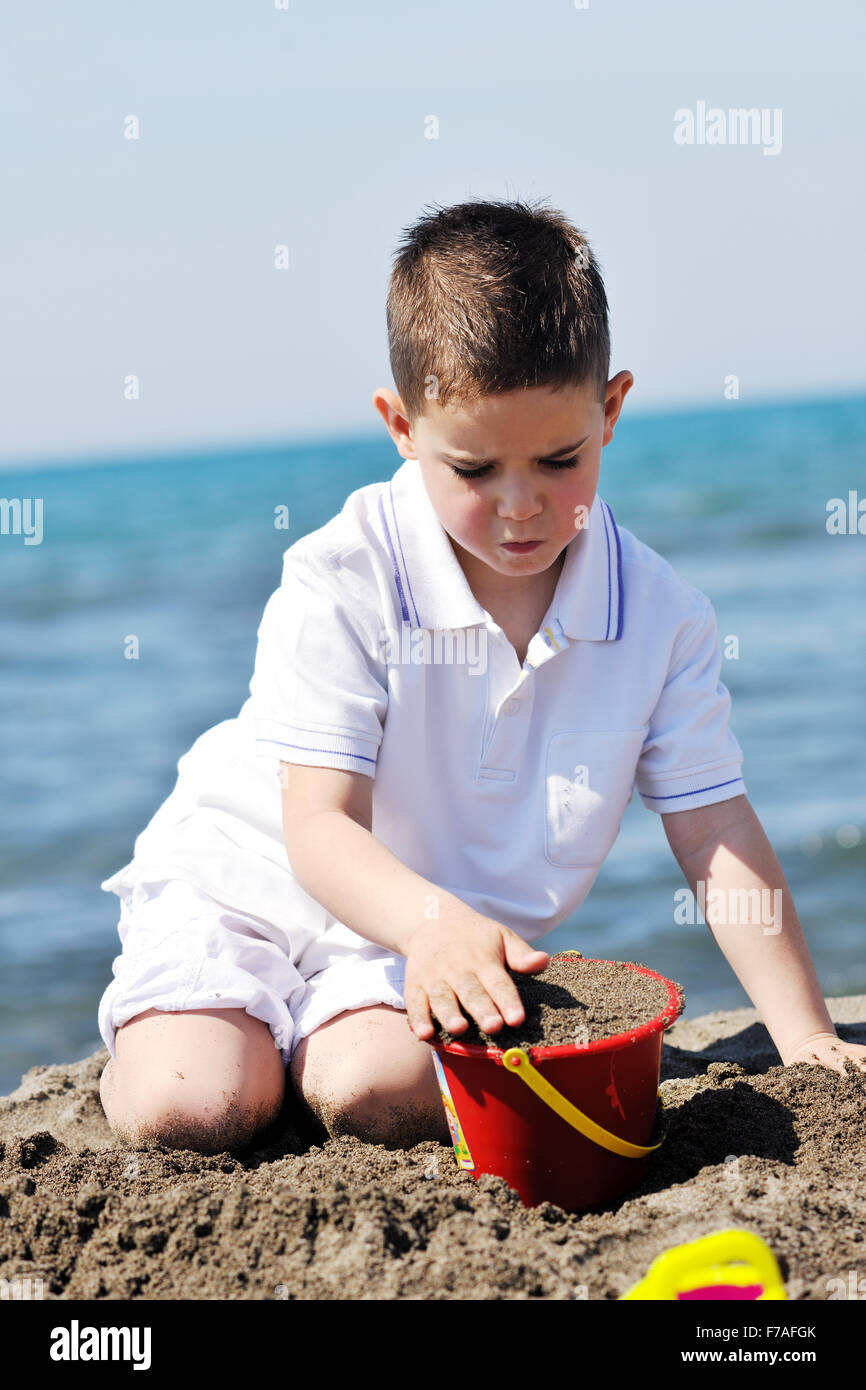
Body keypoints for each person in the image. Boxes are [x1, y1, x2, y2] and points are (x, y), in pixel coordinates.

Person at [97, 198, 865, 1159]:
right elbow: (318, 825)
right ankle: (206, 1035)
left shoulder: (663, 617)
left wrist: (804, 1035)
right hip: (261, 882)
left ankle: (308, 1047)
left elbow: (714, 827)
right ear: (402, 427)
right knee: (195, 1107)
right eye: (474, 467)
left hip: (427, 935)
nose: (521, 507)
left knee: (373, 1091)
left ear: (612, 411)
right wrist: (432, 922)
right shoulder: (343, 576)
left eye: (559, 459)